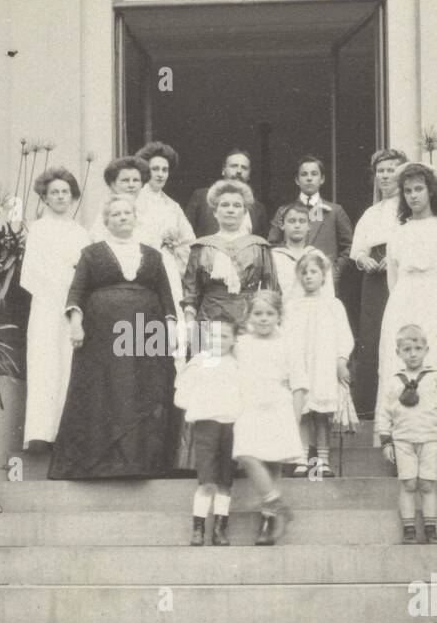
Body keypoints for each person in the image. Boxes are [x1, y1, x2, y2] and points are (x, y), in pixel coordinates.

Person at [48, 198, 178, 479]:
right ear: (106, 221)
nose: (121, 217)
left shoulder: (153, 256)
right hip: (102, 334)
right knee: (108, 389)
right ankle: (101, 463)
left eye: (127, 213)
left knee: (141, 388)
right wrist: (76, 324)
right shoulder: (91, 254)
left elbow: (167, 298)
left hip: (145, 332)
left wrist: (171, 330)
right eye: (115, 214)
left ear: (135, 217)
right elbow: (77, 292)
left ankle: (140, 462)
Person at [373, 162, 437, 445]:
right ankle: (403, 436)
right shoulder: (398, 234)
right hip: (405, 302)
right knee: (404, 360)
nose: (413, 196)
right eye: (407, 191)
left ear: (431, 191)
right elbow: (394, 280)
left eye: (419, 189)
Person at [20, 167, 91, 448]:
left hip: (75, 307)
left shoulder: (81, 233)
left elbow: (86, 272)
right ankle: (39, 434)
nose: (61, 197)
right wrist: (58, 292)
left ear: (73, 196)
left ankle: (65, 433)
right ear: (45, 198)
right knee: (44, 364)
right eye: (54, 193)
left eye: (65, 192)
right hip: (46, 305)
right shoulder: (38, 229)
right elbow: (31, 272)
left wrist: (75, 302)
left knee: (70, 364)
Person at [233, 290, 308, 545]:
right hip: (249, 406)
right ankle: (278, 504)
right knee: (245, 453)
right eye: (258, 313)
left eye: (269, 313)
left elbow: (299, 384)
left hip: (278, 407)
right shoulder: (241, 344)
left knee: (273, 463)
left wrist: (295, 420)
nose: (264, 319)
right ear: (249, 315)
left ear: (279, 316)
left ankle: (267, 521)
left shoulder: (288, 343)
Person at [377, 324, 437, 544]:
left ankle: (431, 529)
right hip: (403, 440)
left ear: (426, 349)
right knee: (408, 484)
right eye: (407, 349)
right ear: (398, 352)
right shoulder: (393, 381)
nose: (413, 354)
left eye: (418, 348)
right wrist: (386, 442)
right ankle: (409, 529)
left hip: (430, 438)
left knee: (427, 484)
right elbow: (384, 414)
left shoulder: (435, 378)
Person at [283, 249, 354, 478]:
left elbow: (344, 336)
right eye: (304, 273)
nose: (309, 276)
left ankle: (322, 461)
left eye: (314, 272)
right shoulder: (292, 306)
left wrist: (341, 360)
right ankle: (302, 459)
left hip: (323, 365)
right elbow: (285, 337)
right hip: (301, 365)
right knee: (303, 411)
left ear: (323, 276)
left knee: (321, 414)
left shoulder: (333, 305)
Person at [180, 179, 279, 337]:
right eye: (225, 205)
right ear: (214, 212)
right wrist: (190, 325)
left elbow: (272, 290)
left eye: (237, 205)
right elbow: (190, 293)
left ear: (245, 212)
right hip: (209, 318)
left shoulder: (259, 247)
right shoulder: (201, 247)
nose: (230, 210)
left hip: (248, 320)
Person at [349, 148, 407, 417]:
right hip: (373, 279)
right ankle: (369, 406)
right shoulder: (371, 213)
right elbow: (358, 249)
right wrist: (364, 259)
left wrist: (396, 257)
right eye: (380, 171)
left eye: (391, 170)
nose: (385, 176)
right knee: (372, 335)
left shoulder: (409, 209)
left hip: (400, 275)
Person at [174, 313, 241, 546]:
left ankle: (221, 528)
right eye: (213, 335)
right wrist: (196, 405)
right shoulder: (200, 361)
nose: (218, 340)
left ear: (234, 340)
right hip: (206, 426)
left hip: (231, 426)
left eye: (224, 336)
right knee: (207, 480)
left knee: (225, 479)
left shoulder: (237, 364)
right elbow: (182, 392)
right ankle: (198, 527)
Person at [129, 141, 196, 323]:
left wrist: (174, 249)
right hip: (138, 268)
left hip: (167, 269)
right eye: (155, 169)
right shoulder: (132, 201)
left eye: (164, 170)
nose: (160, 174)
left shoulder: (173, 207)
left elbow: (188, 242)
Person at [267, 155, 354, 285]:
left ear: (322, 179)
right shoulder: (283, 211)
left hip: (323, 280)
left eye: (314, 174)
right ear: (297, 180)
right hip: (290, 280)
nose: (309, 178)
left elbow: (350, 247)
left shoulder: (335, 211)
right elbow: (272, 245)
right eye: (304, 174)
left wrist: (334, 270)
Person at [184, 149, 268, 237]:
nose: (239, 171)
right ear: (223, 170)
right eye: (234, 166)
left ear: (249, 175)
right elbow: (186, 236)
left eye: (244, 168)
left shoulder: (258, 208)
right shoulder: (202, 197)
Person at [270, 201, 334, 307]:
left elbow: (328, 291)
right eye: (292, 221)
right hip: (284, 312)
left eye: (302, 221)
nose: (297, 225)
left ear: (309, 226)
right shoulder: (273, 256)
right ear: (282, 225)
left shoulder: (317, 256)